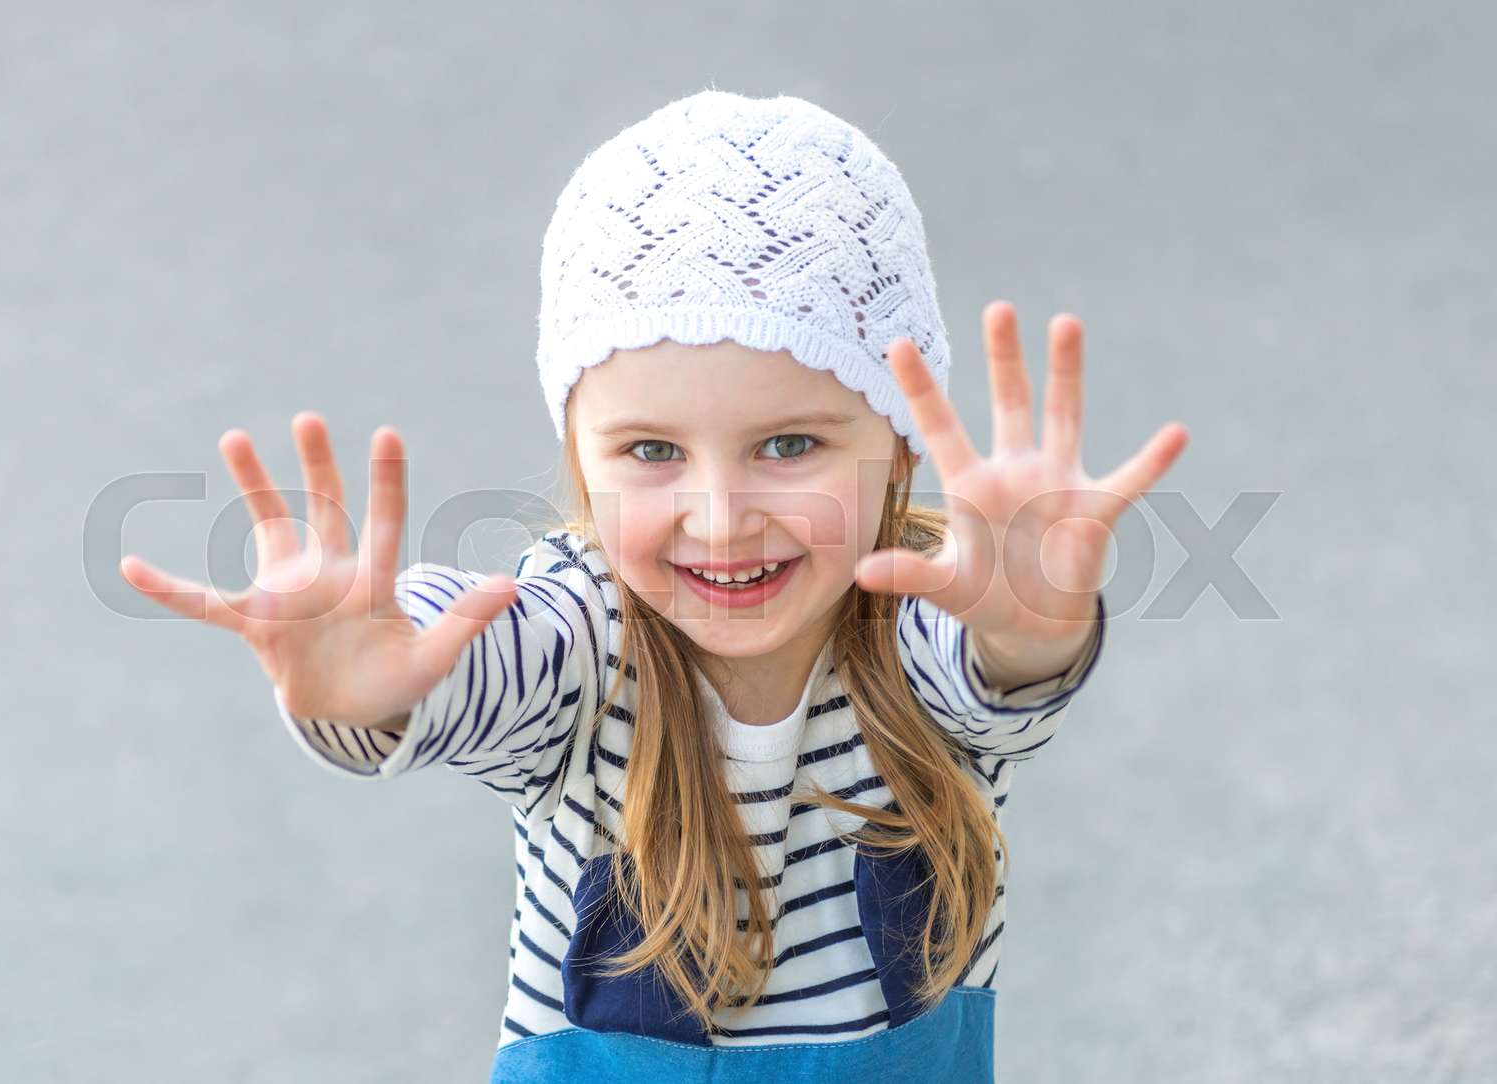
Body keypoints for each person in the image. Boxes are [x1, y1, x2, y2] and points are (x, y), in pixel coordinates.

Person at [121, 89, 1187, 1082]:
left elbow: (998, 670)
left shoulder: (923, 620)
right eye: (649, 451)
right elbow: (477, 652)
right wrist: (372, 684)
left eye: (787, 442)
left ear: (897, 447)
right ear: (581, 458)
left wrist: (1034, 625)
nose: (719, 516)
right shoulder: (580, 641)